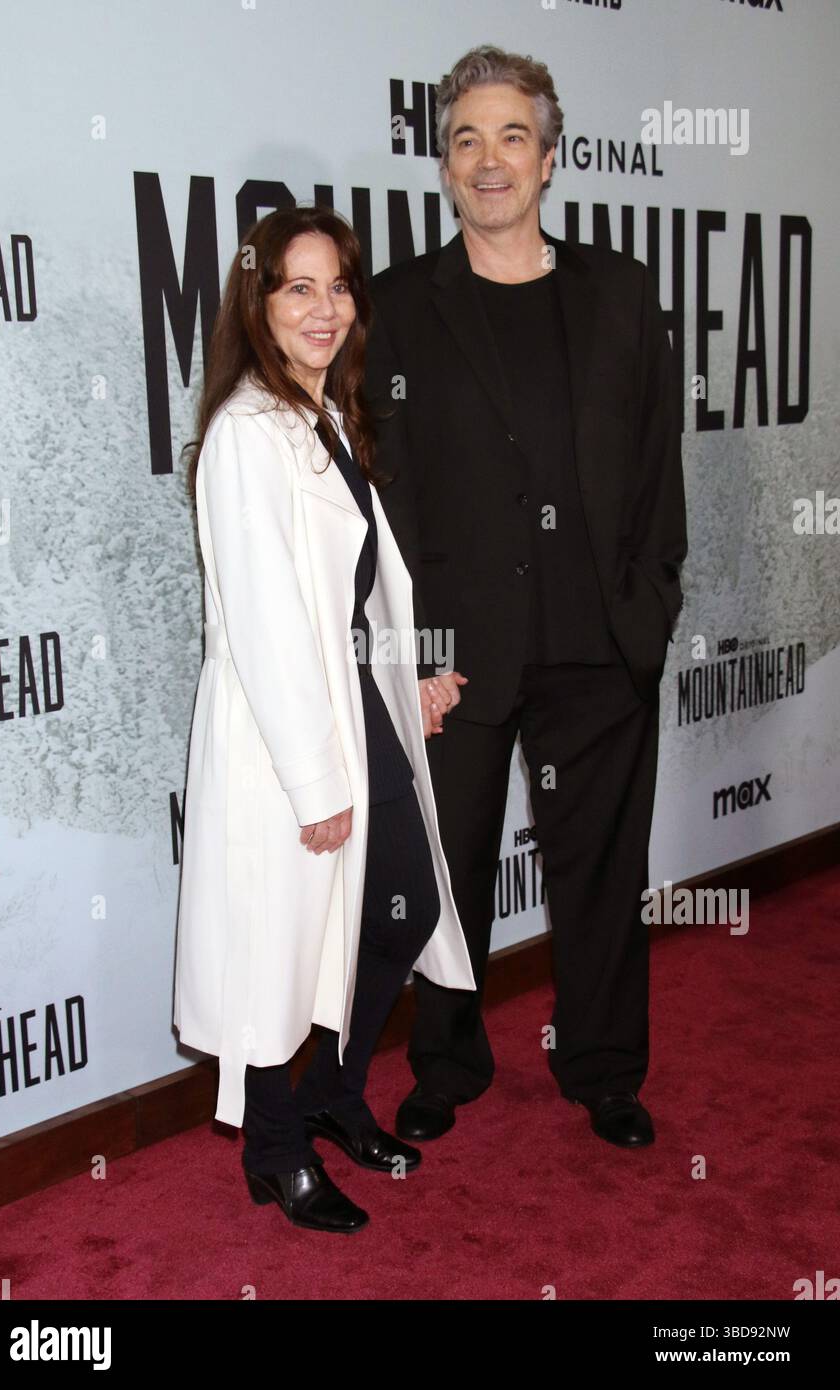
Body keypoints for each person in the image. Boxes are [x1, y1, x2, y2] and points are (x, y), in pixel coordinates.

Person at [364, 46, 687, 1149]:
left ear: (549, 158)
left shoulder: (618, 291)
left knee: (600, 873)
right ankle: (446, 1065)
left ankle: (603, 1070)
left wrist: (647, 611)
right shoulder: (400, 307)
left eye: (511, 137)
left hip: (599, 643)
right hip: (459, 653)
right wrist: (411, 651)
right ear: (444, 169)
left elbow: (654, 464)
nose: (488, 160)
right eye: (465, 139)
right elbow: (386, 495)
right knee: (448, 876)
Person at [174, 205, 475, 1234]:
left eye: (338, 285)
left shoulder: (328, 419)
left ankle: (334, 1097)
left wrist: (408, 679)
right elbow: (262, 624)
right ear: (257, 305)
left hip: (353, 704)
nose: (325, 307)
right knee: (279, 942)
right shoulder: (244, 434)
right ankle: (274, 1149)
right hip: (283, 731)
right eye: (298, 286)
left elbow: (351, 601)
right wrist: (313, 782)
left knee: (399, 904)